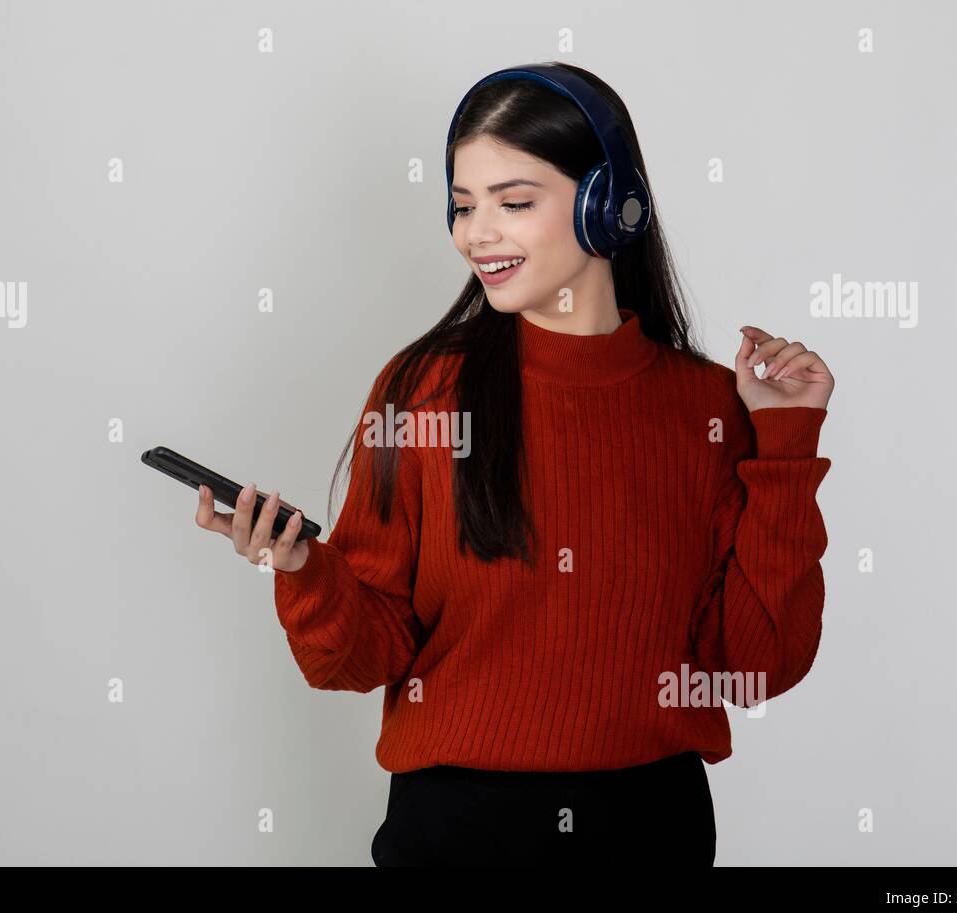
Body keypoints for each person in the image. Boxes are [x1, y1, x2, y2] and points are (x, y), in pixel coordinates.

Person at [193, 61, 834, 867]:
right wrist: (304, 570)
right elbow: (359, 660)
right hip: (454, 830)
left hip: (651, 830)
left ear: (609, 206)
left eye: (514, 203)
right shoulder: (422, 392)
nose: (476, 234)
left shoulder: (710, 410)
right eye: (463, 207)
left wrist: (783, 444)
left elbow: (755, 669)